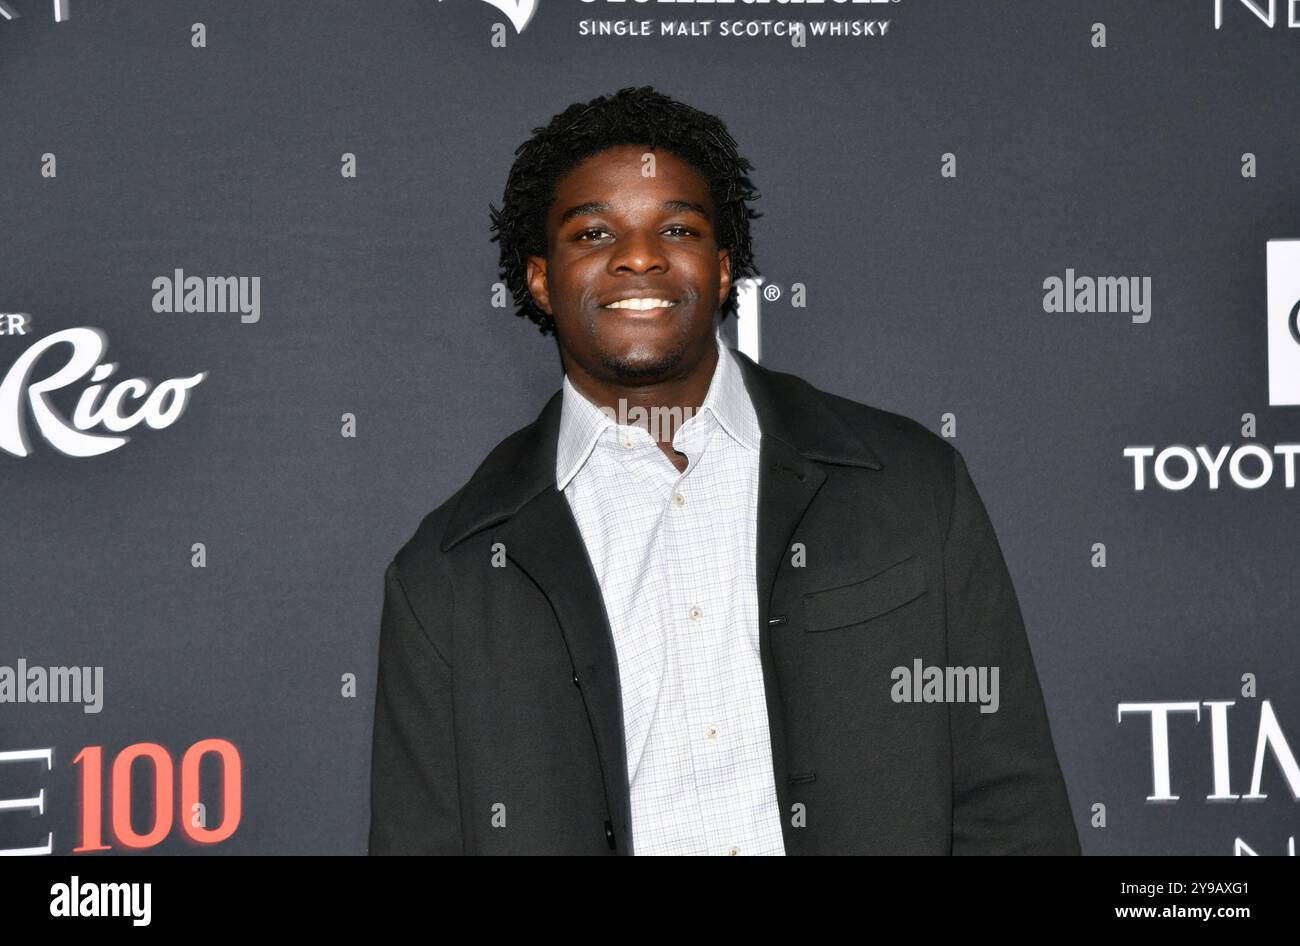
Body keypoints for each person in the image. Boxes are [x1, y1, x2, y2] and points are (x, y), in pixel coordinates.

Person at [368, 86, 1080, 855]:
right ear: (539, 279)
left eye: (676, 228)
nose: (639, 255)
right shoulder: (448, 575)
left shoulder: (909, 483)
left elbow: (1011, 808)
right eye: (594, 232)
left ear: (721, 267)